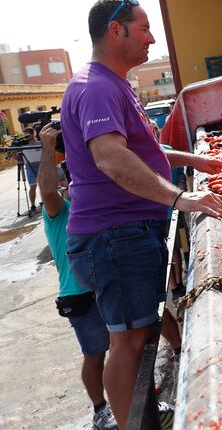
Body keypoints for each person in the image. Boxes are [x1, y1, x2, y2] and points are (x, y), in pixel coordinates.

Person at [62, 0, 222, 429]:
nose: (152, 39)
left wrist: (193, 161)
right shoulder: (95, 87)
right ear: (115, 30)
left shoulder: (116, 85)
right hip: (113, 235)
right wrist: (179, 198)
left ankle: (144, 417)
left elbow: (144, 152)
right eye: (143, 29)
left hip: (126, 231)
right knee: (129, 342)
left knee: (140, 335)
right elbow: (111, 159)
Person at [38, 123, 119, 430]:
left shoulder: (96, 202)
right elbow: (47, 190)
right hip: (79, 294)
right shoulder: (59, 209)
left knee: (125, 346)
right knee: (95, 354)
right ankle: (100, 410)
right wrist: (47, 149)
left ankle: (129, 398)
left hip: (107, 282)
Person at [20, 126, 42, 213]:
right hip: (29, 166)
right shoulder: (22, 145)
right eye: (25, 135)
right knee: (33, 187)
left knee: (43, 186)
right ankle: (32, 205)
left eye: (28, 134)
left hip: (41, 165)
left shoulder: (40, 143)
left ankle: (44, 202)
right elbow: (16, 158)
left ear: (33, 134)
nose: (26, 136)